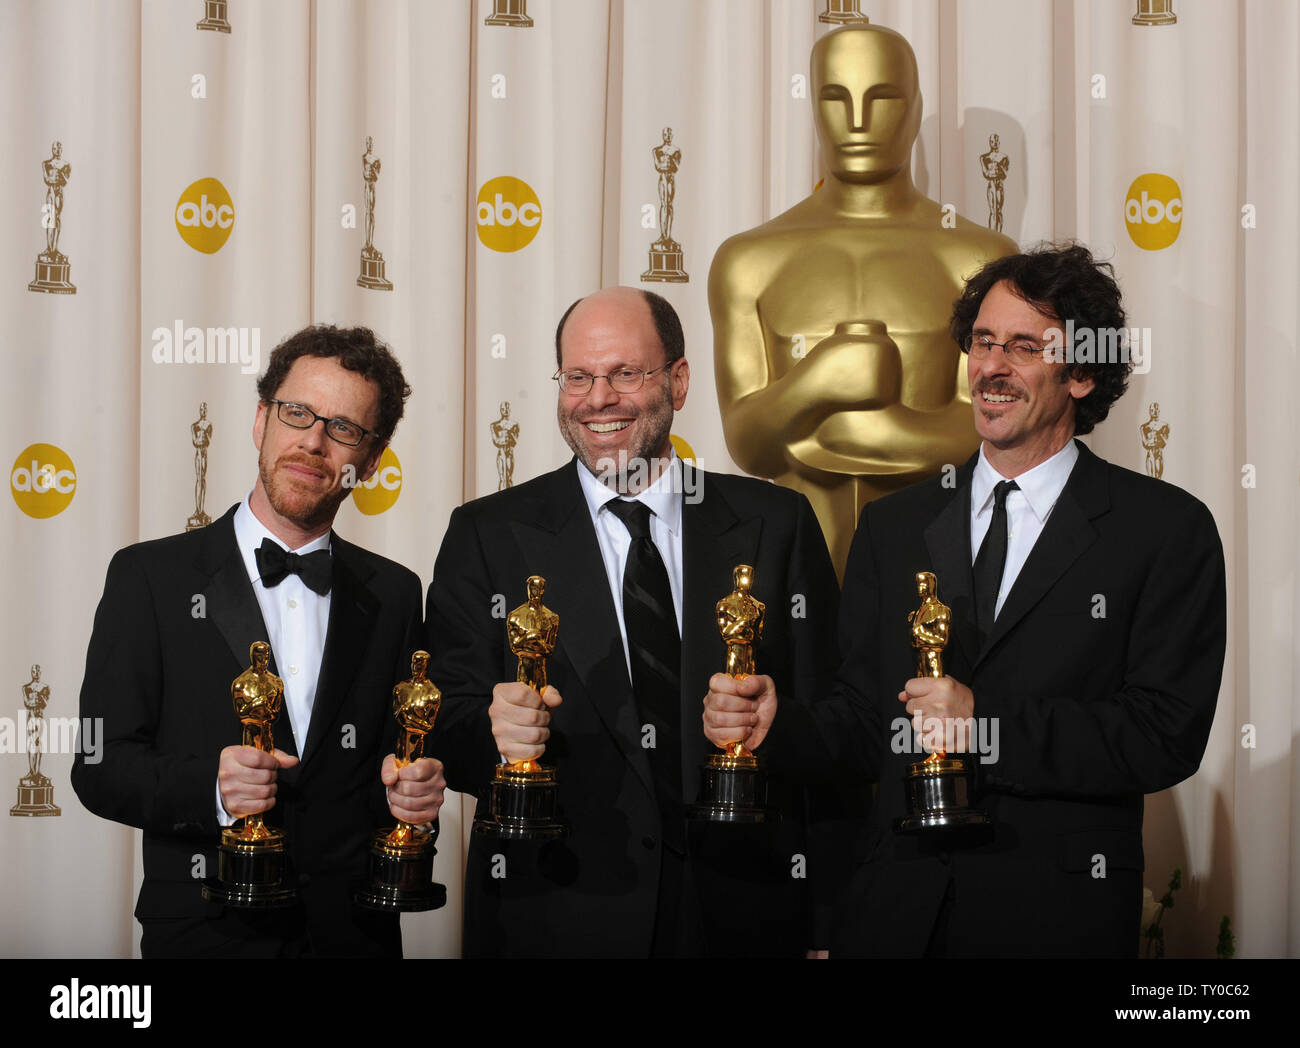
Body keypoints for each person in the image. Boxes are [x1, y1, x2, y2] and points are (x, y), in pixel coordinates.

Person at [705, 244, 1226, 957]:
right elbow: (864, 724)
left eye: (1023, 346)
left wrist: (985, 726)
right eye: (983, 342)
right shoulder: (894, 526)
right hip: (894, 915)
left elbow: (1162, 735)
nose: (992, 368)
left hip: (1054, 921)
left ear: (1081, 373)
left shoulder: (1163, 529)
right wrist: (777, 722)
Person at [426, 286, 840, 957]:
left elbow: (841, 724)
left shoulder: (776, 524)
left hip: (744, 916)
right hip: (556, 919)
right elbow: (442, 723)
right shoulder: (488, 535)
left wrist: (777, 722)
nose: (599, 399)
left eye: (625, 373)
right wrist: (493, 732)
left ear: (678, 378)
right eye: (579, 377)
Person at [72, 325, 445, 958]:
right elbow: (99, 765)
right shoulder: (150, 578)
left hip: (353, 942)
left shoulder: (395, 594)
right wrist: (212, 792)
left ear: (372, 461)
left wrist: (412, 794)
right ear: (260, 421)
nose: (313, 443)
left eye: (344, 429)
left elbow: (396, 764)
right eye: (297, 413)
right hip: (205, 940)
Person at [709, 24, 1015, 576]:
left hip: (941, 559)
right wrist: (818, 382)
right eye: (835, 99)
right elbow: (748, 444)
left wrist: (867, 431)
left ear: (916, 109)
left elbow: (996, 426)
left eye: (883, 98)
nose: (856, 122)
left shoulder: (978, 257)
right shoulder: (748, 259)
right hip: (794, 563)